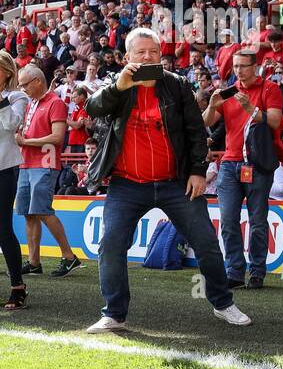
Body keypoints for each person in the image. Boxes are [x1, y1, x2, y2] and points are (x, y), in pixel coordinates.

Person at [82, 27, 251, 332]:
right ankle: (114, 314)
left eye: (154, 52)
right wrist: (119, 87)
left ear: (161, 55)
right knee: (111, 244)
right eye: (141, 53)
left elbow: (196, 132)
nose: (148, 57)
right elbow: (92, 107)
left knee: (206, 243)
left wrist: (199, 171)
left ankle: (223, 303)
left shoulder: (177, 85)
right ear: (127, 57)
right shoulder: (116, 83)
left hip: (176, 182)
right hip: (126, 183)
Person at [202, 47, 283, 290]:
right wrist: (211, 105)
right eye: (235, 66)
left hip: (257, 163)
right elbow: (205, 122)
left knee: (257, 221)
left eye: (243, 66)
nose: (238, 71)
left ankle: (257, 272)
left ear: (255, 66)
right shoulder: (227, 92)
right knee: (228, 221)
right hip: (229, 163)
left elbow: (276, 121)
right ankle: (234, 272)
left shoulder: (270, 88)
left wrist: (251, 109)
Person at [14, 65, 80, 278]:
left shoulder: (56, 102)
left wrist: (25, 141)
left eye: (25, 84)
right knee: (29, 213)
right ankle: (34, 262)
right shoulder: (31, 103)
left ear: (38, 81)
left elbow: (57, 137)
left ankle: (69, 257)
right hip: (27, 163)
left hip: (44, 163)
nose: (23, 88)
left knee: (42, 210)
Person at [0, 51, 28, 310]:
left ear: (7, 72)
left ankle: (18, 286)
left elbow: (12, 124)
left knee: (3, 229)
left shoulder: (16, 97)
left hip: (4, 169)